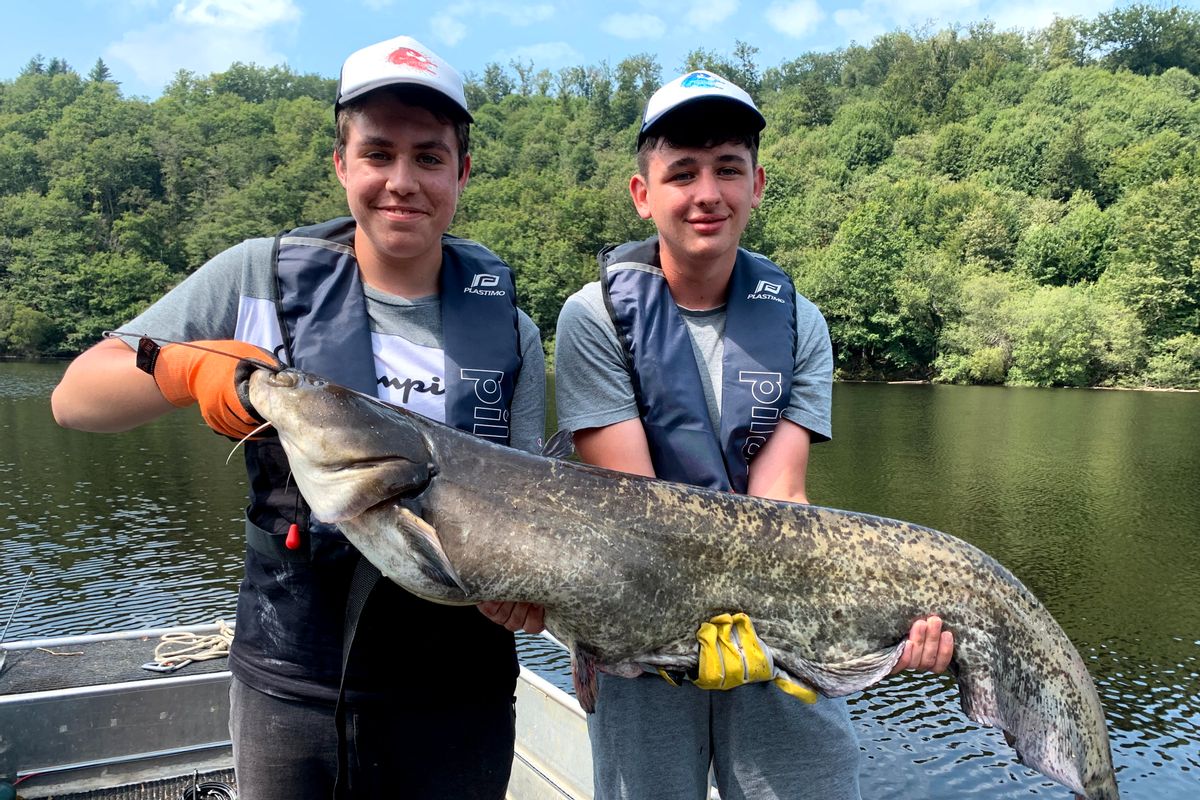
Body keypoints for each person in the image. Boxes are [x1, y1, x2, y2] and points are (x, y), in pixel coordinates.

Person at [51, 35, 545, 800]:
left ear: (463, 172)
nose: (401, 181)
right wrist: (187, 367)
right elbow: (75, 397)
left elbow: (532, 512)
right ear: (341, 163)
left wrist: (528, 593)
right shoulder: (254, 277)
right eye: (377, 153)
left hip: (461, 693)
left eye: (429, 157)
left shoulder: (511, 330)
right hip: (292, 681)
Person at [553, 70, 955, 800]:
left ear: (757, 185)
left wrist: (876, 631)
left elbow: (783, 495)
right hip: (640, 626)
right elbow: (635, 510)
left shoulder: (802, 323)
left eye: (728, 170)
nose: (707, 192)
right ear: (644, 194)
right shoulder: (592, 319)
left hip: (773, 627)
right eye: (682, 173)